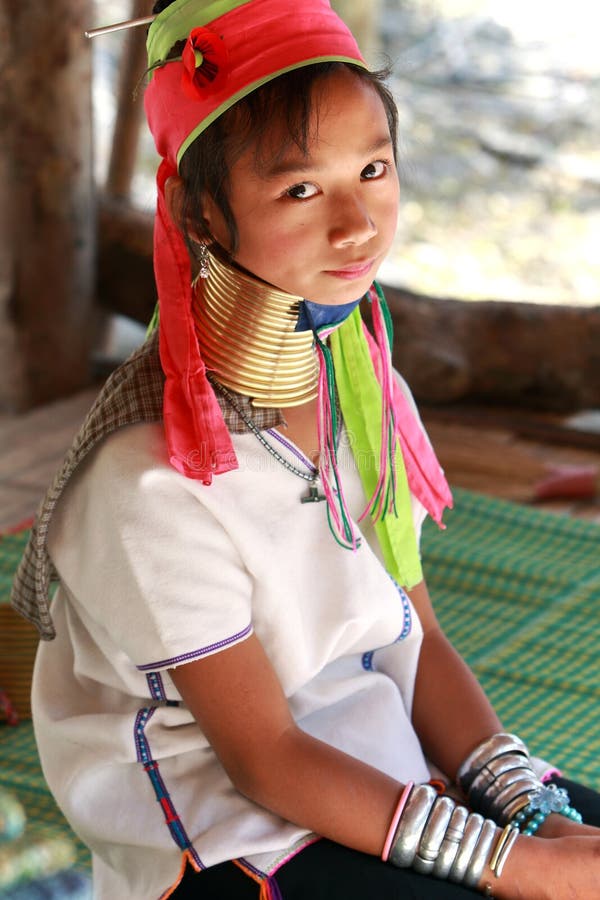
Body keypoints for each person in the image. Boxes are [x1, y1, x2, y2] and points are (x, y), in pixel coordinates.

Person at [11, 1, 600, 898]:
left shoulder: (364, 395)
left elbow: (422, 642)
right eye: (300, 189)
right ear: (200, 213)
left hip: (384, 772)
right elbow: (265, 757)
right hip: (228, 835)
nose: (357, 224)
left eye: (373, 169)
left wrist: (538, 816)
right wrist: (519, 869)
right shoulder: (148, 484)